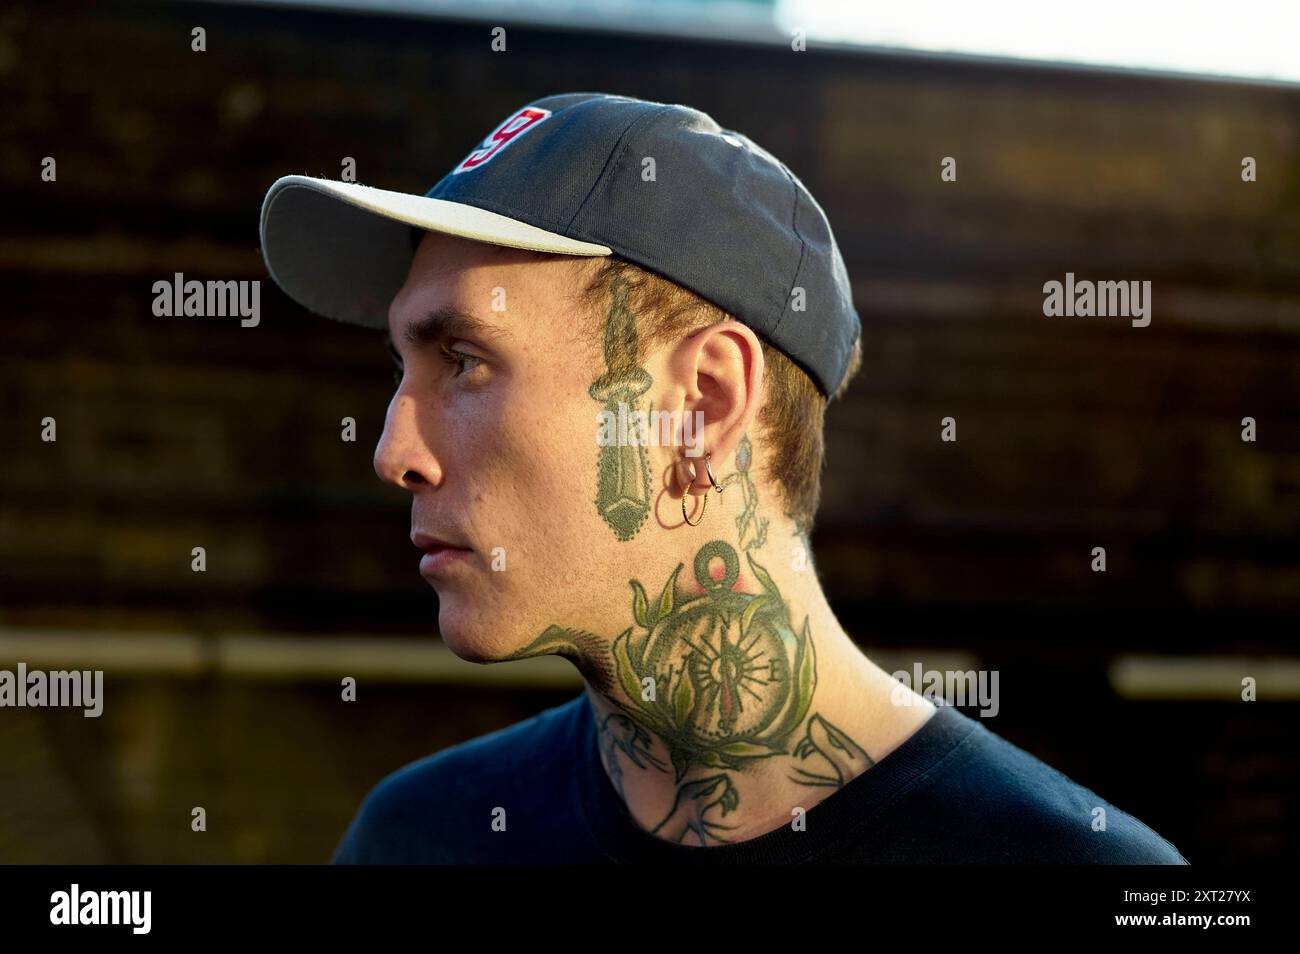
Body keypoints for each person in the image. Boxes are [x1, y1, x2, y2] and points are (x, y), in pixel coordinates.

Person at [259, 92, 1187, 864]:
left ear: (702, 404)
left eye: (464, 362)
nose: (393, 453)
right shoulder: (419, 840)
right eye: (400, 371)